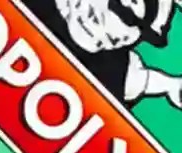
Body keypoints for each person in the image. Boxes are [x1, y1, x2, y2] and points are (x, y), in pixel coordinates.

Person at [22, 0, 182, 107]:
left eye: (127, 18)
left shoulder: (115, 70)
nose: (103, 20)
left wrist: (172, 85)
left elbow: (143, 80)